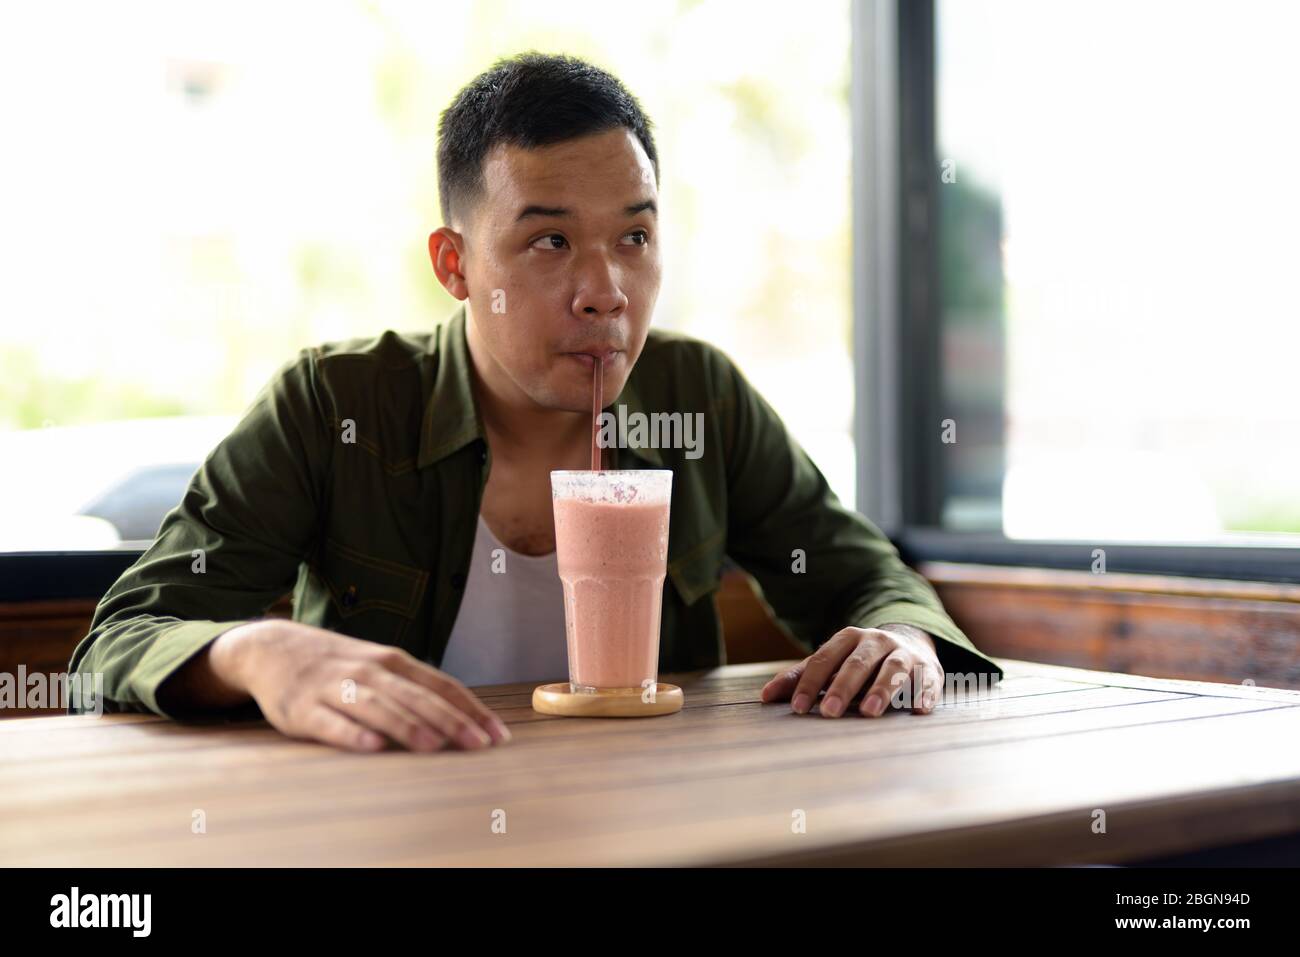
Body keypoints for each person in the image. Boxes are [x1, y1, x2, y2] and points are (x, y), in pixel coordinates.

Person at [69, 51, 1001, 753]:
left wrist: (902, 637)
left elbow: (866, 577)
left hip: (658, 830)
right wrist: (260, 654)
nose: (606, 292)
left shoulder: (698, 398)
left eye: (634, 237)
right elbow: (120, 638)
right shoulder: (335, 406)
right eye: (550, 243)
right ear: (456, 266)